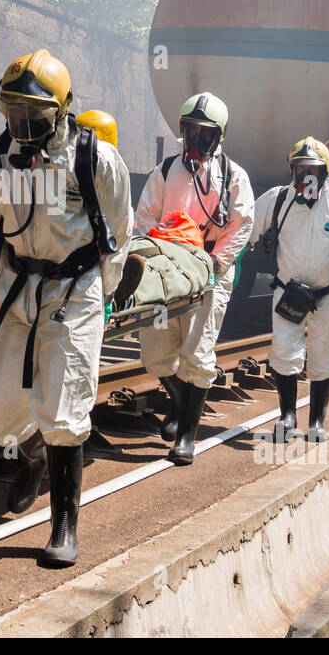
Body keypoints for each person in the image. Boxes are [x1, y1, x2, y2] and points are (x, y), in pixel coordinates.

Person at [0, 50, 132, 567]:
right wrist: (6, 288)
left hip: (75, 290)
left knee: (65, 410)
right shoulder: (0, 155)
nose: (22, 126)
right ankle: (31, 458)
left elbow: (117, 235)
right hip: (18, 286)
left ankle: (64, 525)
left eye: (33, 117)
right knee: (4, 411)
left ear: (61, 113)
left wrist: (101, 299)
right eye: (13, 113)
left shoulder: (97, 160)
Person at [131, 92, 254, 464]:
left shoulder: (232, 177)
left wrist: (216, 264)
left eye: (206, 135)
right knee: (156, 354)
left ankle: (187, 436)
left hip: (209, 276)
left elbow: (241, 224)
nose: (197, 142)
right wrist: (156, 261)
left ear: (218, 138)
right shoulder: (165, 172)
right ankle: (180, 403)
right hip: (167, 277)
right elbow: (145, 219)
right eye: (192, 132)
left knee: (196, 356)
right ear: (182, 132)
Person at [248, 137, 329, 442]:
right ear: (292, 172)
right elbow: (247, 228)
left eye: (313, 170)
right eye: (300, 169)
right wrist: (236, 256)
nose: (306, 176)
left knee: (325, 354)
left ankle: (317, 421)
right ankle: (288, 417)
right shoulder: (278, 200)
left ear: (325, 173)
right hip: (288, 293)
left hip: (328, 296)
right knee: (284, 352)